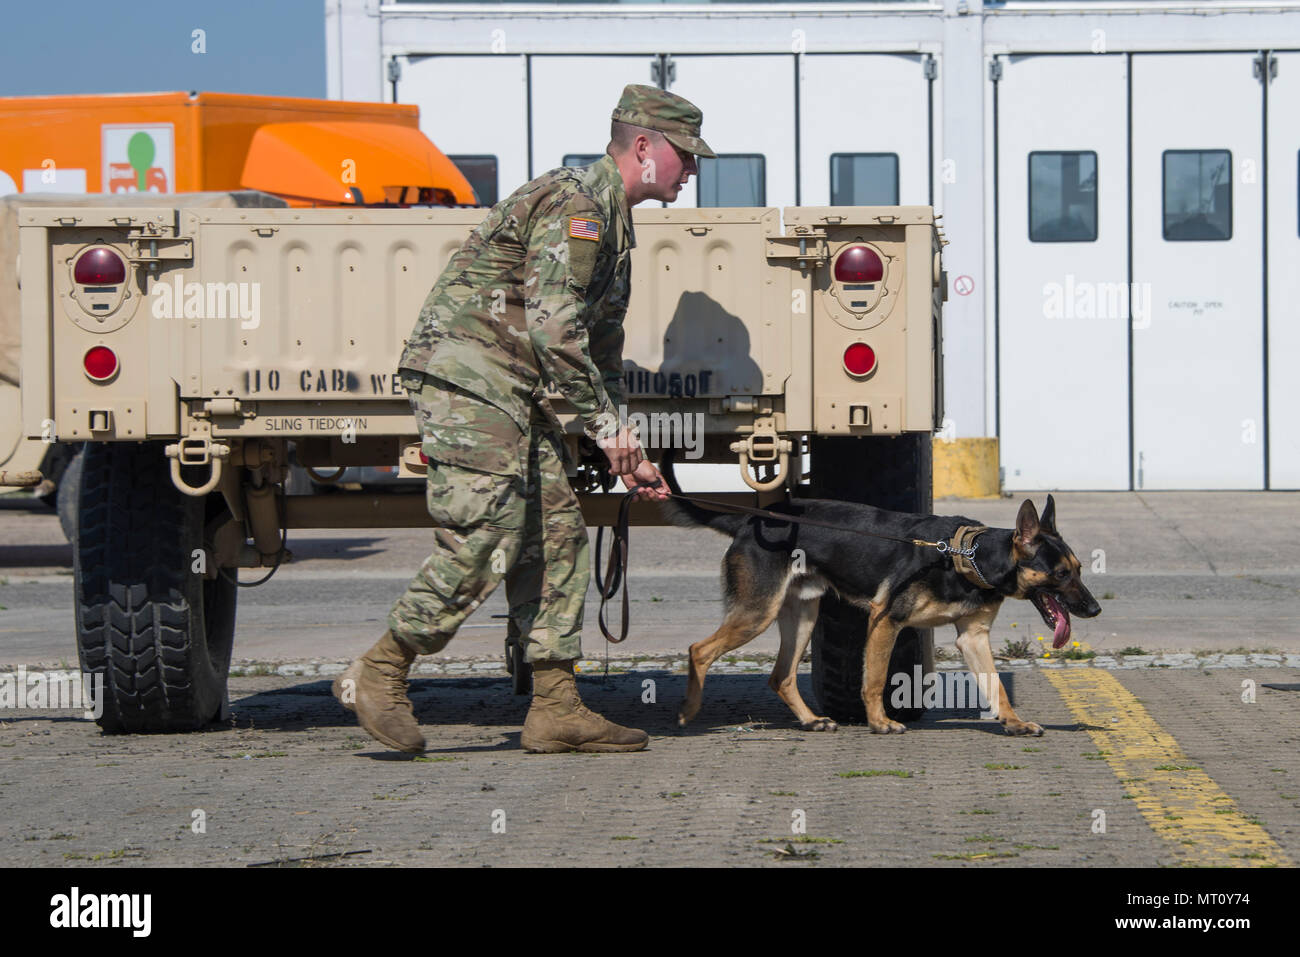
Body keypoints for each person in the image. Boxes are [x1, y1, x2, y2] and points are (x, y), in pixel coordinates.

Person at [333, 84, 715, 754]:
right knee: (490, 530)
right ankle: (383, 667)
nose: (692, 170)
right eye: (686, 155)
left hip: (515, 387)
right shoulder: (577, 202)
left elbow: (602, 351)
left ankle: (555, 706)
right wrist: (608, 430)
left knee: (558, 528)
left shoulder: (615, 224)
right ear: (646, 146)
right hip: (469, 373)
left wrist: (626, 444)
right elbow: (555, 327)